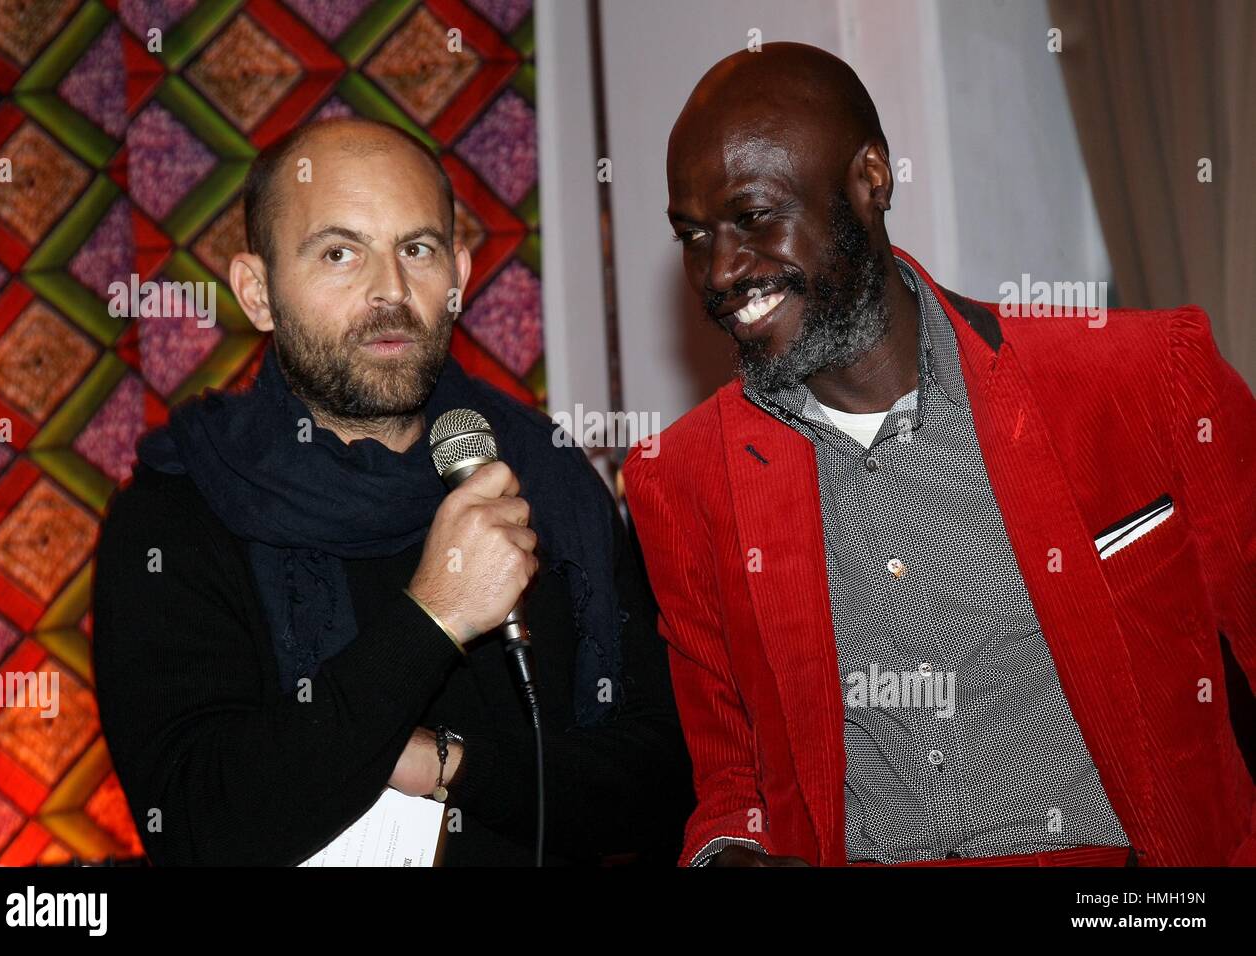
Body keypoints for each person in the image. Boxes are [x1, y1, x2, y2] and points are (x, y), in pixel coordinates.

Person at [623, 43, 1256, 867]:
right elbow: (730, 778)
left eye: (753, 218)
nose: (720, 271)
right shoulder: (683, 480)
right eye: (694, 235)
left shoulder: (1140, 378)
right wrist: (727, 850)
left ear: (870, 180)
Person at [92, 117, 692, 866]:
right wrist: (432, 615)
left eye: (417, 249)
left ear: (459, 278)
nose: (390, 290)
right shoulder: (176, 513)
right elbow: (194, 827)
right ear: (258, 292)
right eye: (339, 253)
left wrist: (450, 766)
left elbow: (665, 783)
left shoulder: (546, 477)